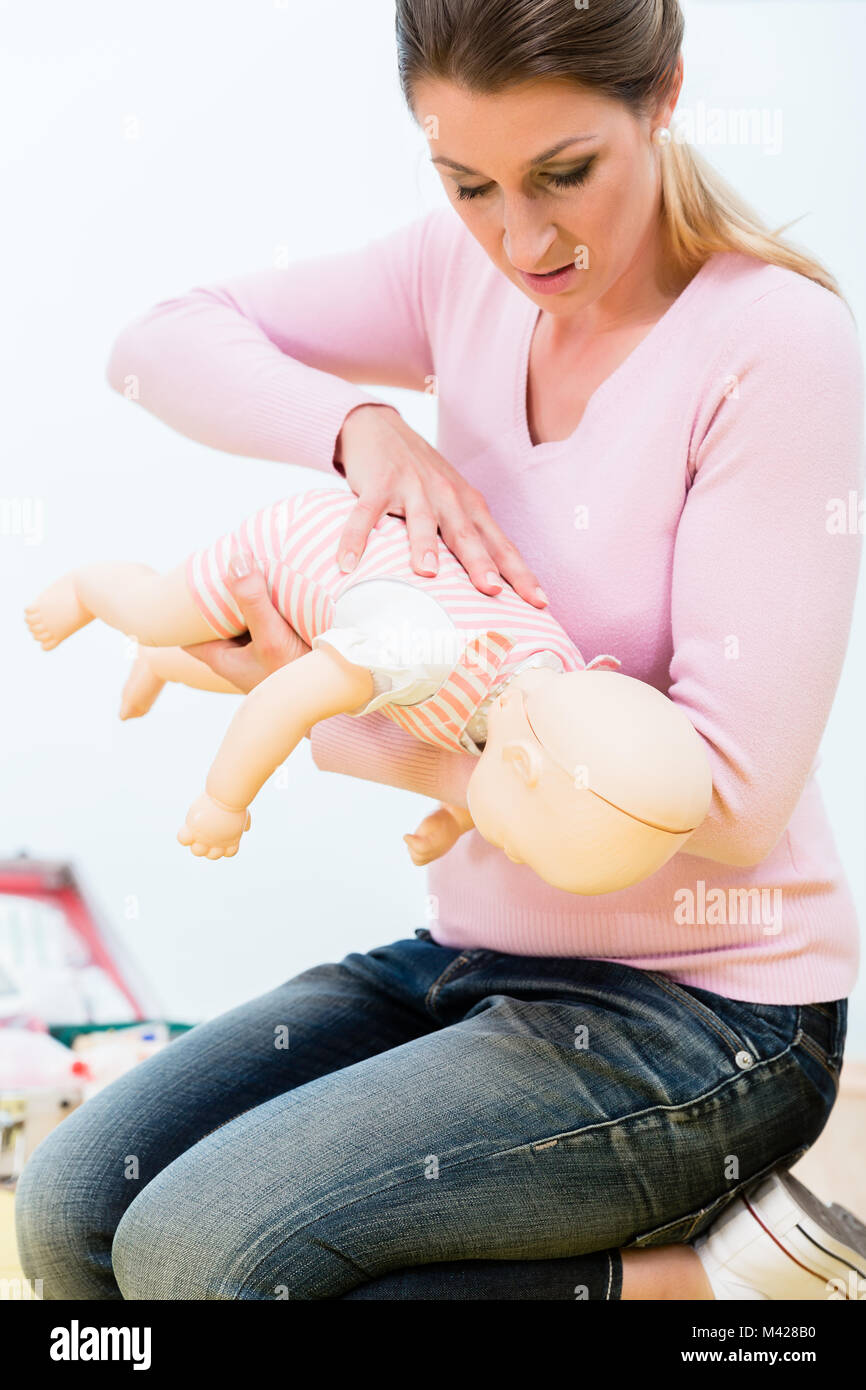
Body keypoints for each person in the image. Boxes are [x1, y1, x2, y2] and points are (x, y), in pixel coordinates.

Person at [16, 0, 865, 1299]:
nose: (519, 237)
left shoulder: (775, 349)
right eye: (467, 182)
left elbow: (733, 806)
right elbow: (158, 342)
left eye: (563, 173)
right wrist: (358, 426)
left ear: (667, 94)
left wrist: (371, 748)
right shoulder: (456, 275)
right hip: (476, 956)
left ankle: (708, 1286)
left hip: (709, 1016)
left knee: (203, 1255)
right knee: (80, 1205)